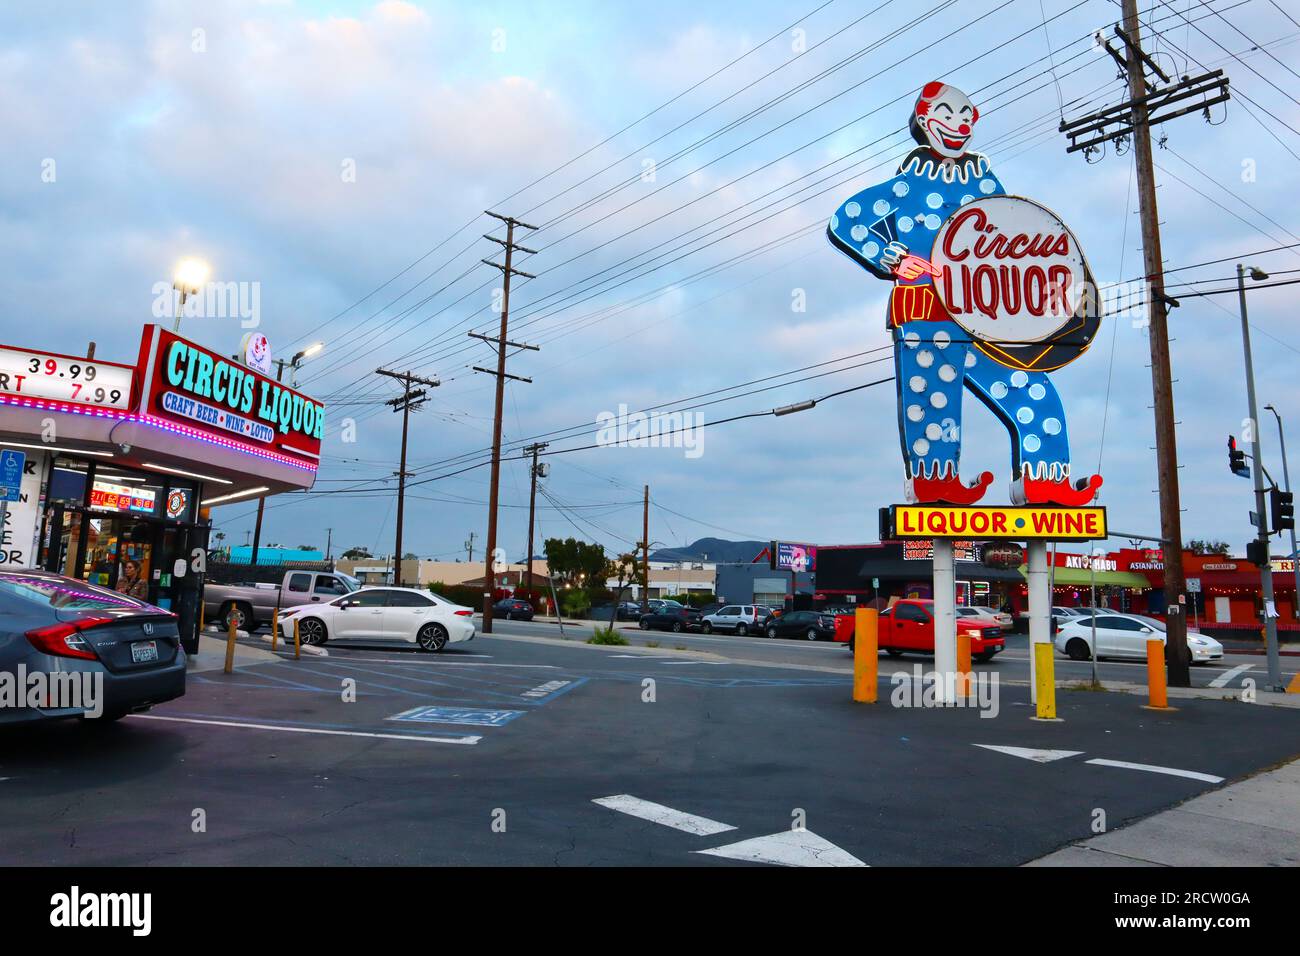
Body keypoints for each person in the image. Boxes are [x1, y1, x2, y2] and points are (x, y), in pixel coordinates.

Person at [827, 80, 1102, 506]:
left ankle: (1044, 481)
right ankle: (935, 484)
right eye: (947, 114)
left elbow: (1014, 227)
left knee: (1030, 385)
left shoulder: (984, 182)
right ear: (924, 121)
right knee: (932, 401)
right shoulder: (908, 185)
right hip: (926, 312)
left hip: (986, 315)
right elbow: (848, 220)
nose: (958, 123)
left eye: (966, 114)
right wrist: (893, 259)